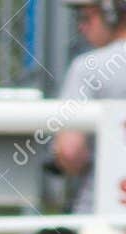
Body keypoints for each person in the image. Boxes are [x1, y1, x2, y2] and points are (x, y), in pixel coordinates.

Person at [53, 1, 126, 213]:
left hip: (102, 213)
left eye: (86, 17)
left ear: (112, 15)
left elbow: (70, 151)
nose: (81, 27)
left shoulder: (88, 68)